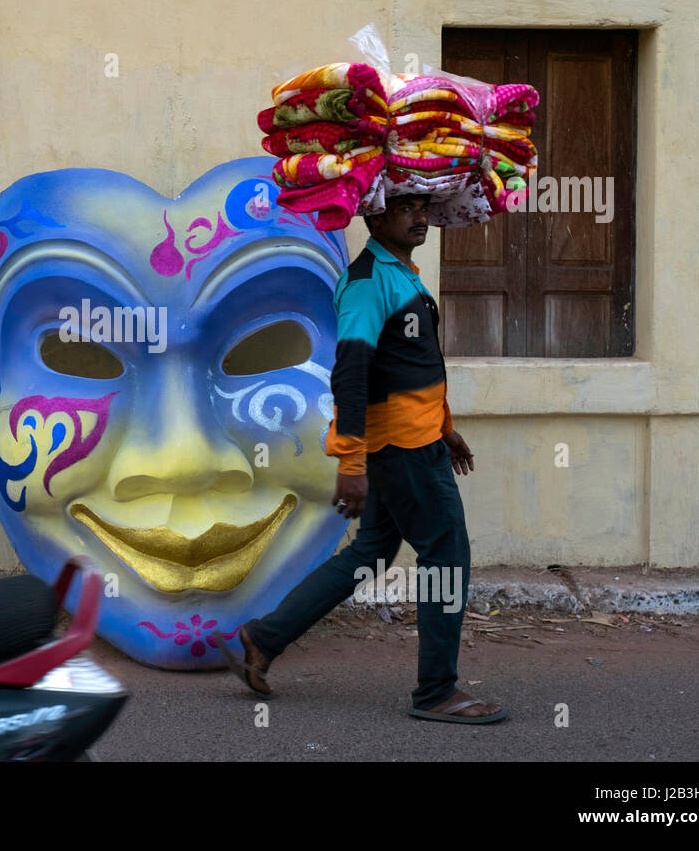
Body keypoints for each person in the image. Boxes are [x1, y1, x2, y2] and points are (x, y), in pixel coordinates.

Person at [216, 193, 508, 724]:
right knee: (447, 558)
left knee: (369, 553)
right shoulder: (369, 283)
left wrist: (445, 428)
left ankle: (259, 641)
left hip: (416, 440)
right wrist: (351, 463)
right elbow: (352, 375)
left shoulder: (401, 274)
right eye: (406, 209)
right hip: (400, 451)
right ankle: (436, 692)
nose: (420, 217)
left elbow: (408, 366)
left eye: (423, 206)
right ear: (375, 216)